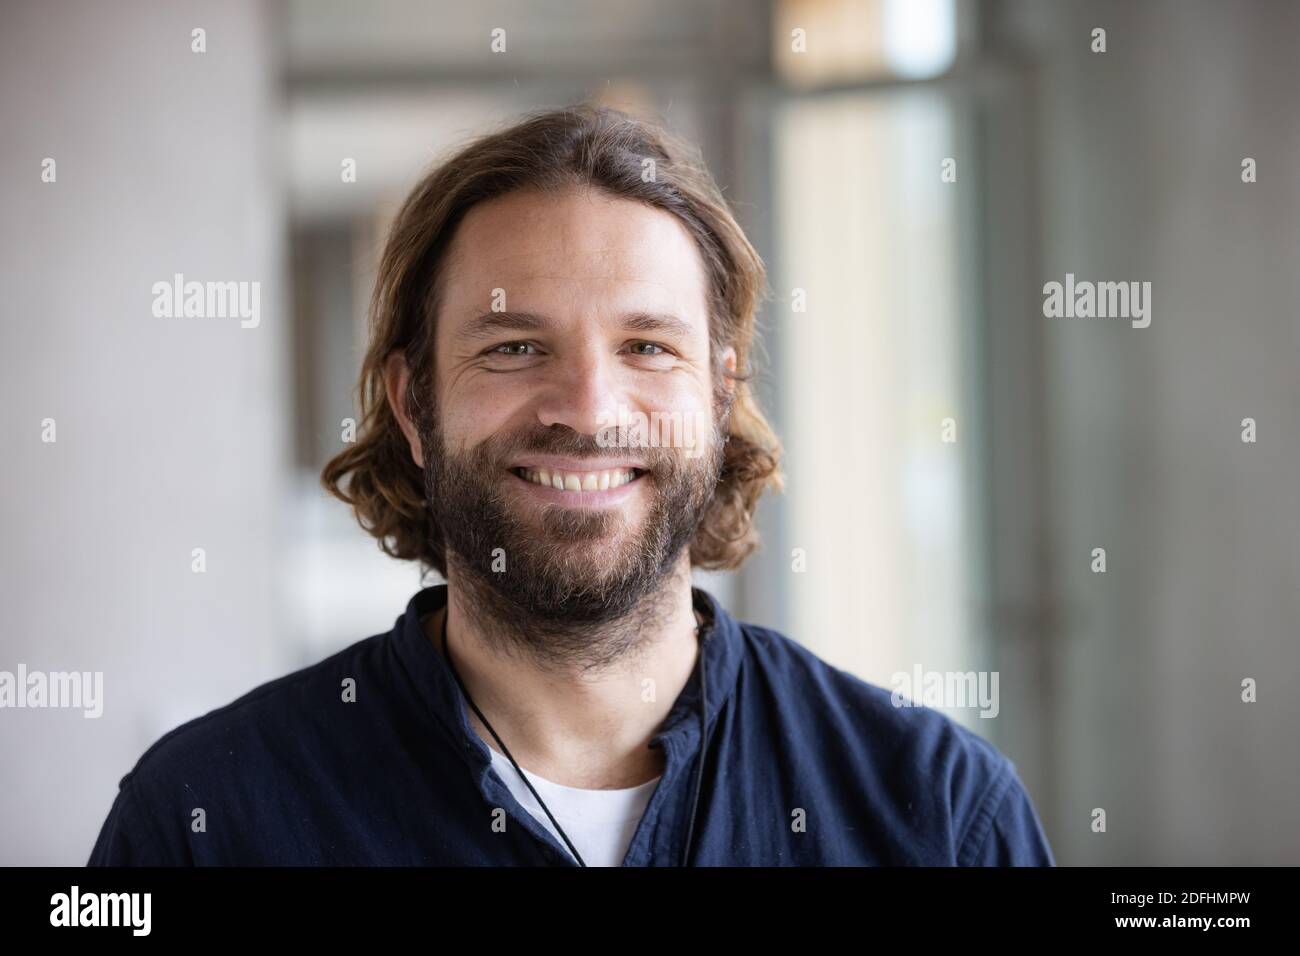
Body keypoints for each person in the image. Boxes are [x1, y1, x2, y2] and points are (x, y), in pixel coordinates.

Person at [89, 103, 1054, 866]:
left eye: (647, 346)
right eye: (514, 347)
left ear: (719, 399)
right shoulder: (205, 819)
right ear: (415, 404)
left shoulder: (940, 817)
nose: (589, 409)